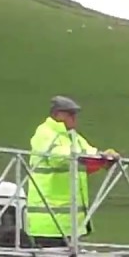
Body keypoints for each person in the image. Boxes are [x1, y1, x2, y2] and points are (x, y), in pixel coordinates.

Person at [26, 95, 118, 247]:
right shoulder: (44, 133)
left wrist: (105, 157)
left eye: (74, 115)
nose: (74, 119)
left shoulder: (73, 137)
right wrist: (89, 157)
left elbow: (89, 152)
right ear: (57, 115)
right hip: (48, 221)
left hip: (71, 223)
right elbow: (59, 157)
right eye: (70, 114)